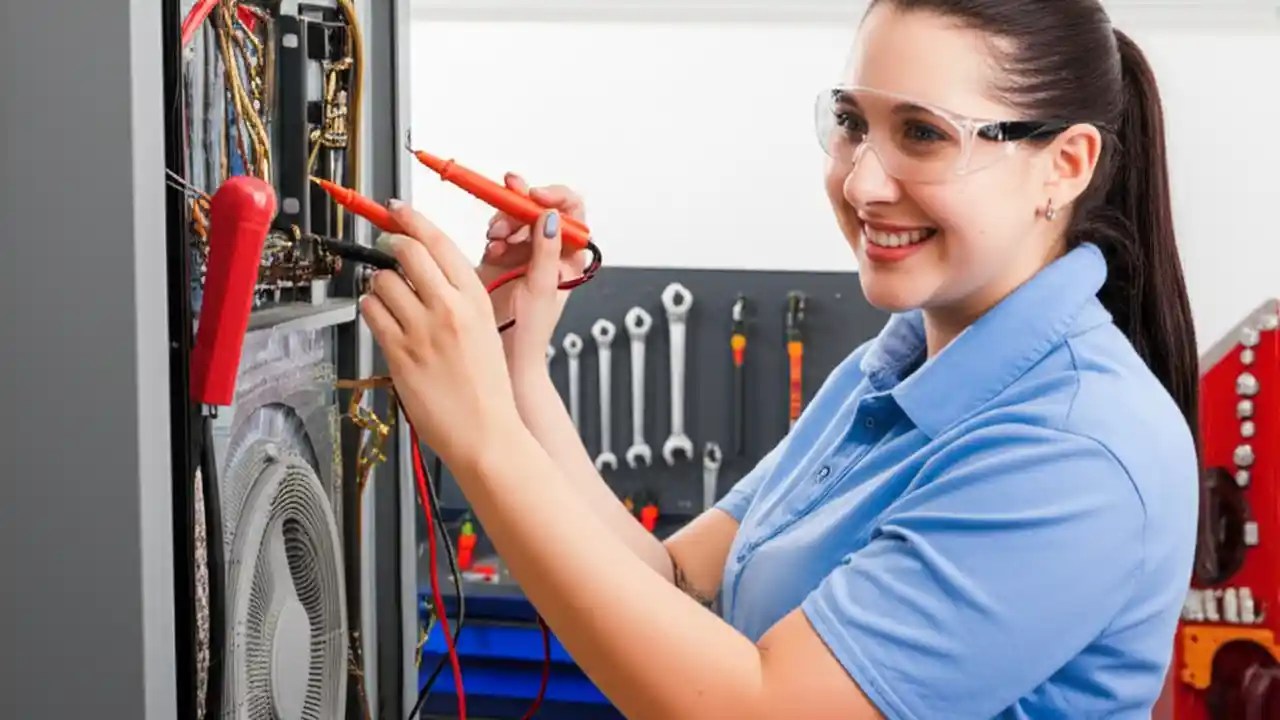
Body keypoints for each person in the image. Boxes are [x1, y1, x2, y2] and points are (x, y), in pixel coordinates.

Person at [361, 0, 1201, 716]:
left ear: (1065, 165)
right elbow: (678, 580)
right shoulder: (893, 367)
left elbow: (763, 707)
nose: (863, 182)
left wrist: (480, 437)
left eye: (922, 134)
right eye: (851, 124)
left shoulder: (1074, 450)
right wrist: (518, 370)